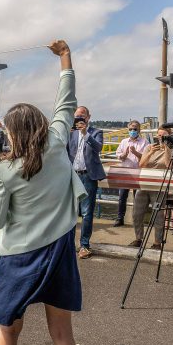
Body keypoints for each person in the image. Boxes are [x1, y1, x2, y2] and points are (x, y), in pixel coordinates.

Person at [0, 39, 88, 345]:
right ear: (42, 125)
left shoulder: (5, 171)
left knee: (9, 332)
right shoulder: (60, 143)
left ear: (11, 133)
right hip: (59, 252)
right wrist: (64, 57)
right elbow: (67, 100)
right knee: (64, 337)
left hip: (17, 258)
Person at [67, 105, 105, 259]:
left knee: (87, 212)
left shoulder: (96, 132)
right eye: (77, 115)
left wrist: (85, 134)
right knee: (69, 212)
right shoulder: (71, 133)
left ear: (88, 117)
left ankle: (84, 245)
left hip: (88, 176)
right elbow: (63, 150)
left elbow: (98, 148)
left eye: (82, 115)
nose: (80, 117)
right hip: (72, 176)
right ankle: (68, 244)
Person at [129, 125, 173, 248]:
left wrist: (167, 150)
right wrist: (151, 152)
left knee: (158, 214)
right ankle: (138, 238)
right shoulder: (149, 147)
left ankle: (157, 242)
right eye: (159, 135)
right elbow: (142, 164)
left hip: (159, 184)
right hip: (144, 183)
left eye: (163, 135)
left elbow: (168, 164)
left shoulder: (170, 148)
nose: (160, 138)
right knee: (137, 213)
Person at [114, 120, 148, 227]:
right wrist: (124, 154)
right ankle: (120, 218)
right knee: (122, 196)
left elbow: (146, 158)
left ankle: (137, 220)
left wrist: (136, 153)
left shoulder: (144, 142)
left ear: (139, 130)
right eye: (130, 129)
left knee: (137, 198)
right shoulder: (124, 141)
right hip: (125, 172)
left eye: (135, 129)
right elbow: (119, 155)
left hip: (138, 172)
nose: (132, 131)